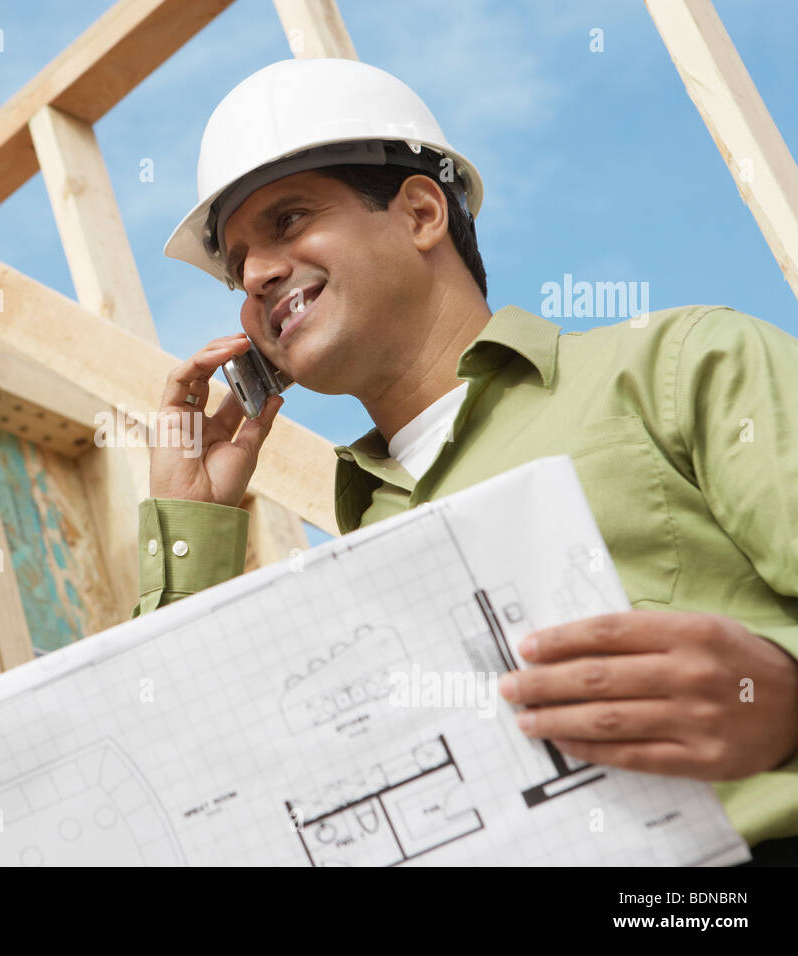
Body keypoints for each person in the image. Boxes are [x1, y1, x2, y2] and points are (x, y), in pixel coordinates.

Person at [133, 58, 798, 864]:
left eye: (288, 221)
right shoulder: (346, 569)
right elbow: (192, 805)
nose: (256, 274)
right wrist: (192, 522)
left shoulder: (681, 364)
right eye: (237, 265)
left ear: (419, 212)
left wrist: (784, 705)